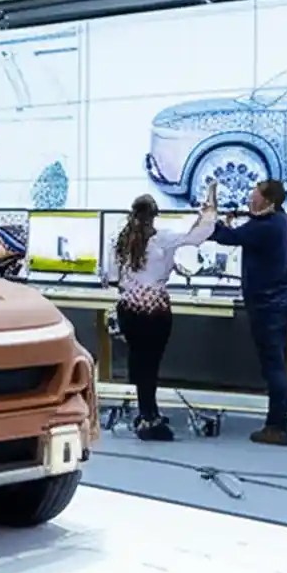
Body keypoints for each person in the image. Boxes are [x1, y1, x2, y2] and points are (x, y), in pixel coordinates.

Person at [103, 186, 216, 441]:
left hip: (129, 310)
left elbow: (112, 279)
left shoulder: (119, 241)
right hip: (154, 312)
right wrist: (209, 210)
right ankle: (148, 418)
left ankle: (148, 412)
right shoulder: (162, 239)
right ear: (155, 216)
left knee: (140, 362)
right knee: (150, 366)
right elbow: (198, 235)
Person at [209, 179, 287, 447]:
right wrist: (239, 218)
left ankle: (277, 427)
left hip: (267, 306)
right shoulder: (280, 219)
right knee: (276, 365)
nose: (249, 201)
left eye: (254, 197)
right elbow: (252, 222)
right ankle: (280, 421)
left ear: (268, 201)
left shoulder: (264, 228)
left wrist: (211, 214)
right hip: (278, 302)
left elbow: (225, 237)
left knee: (273, 367)